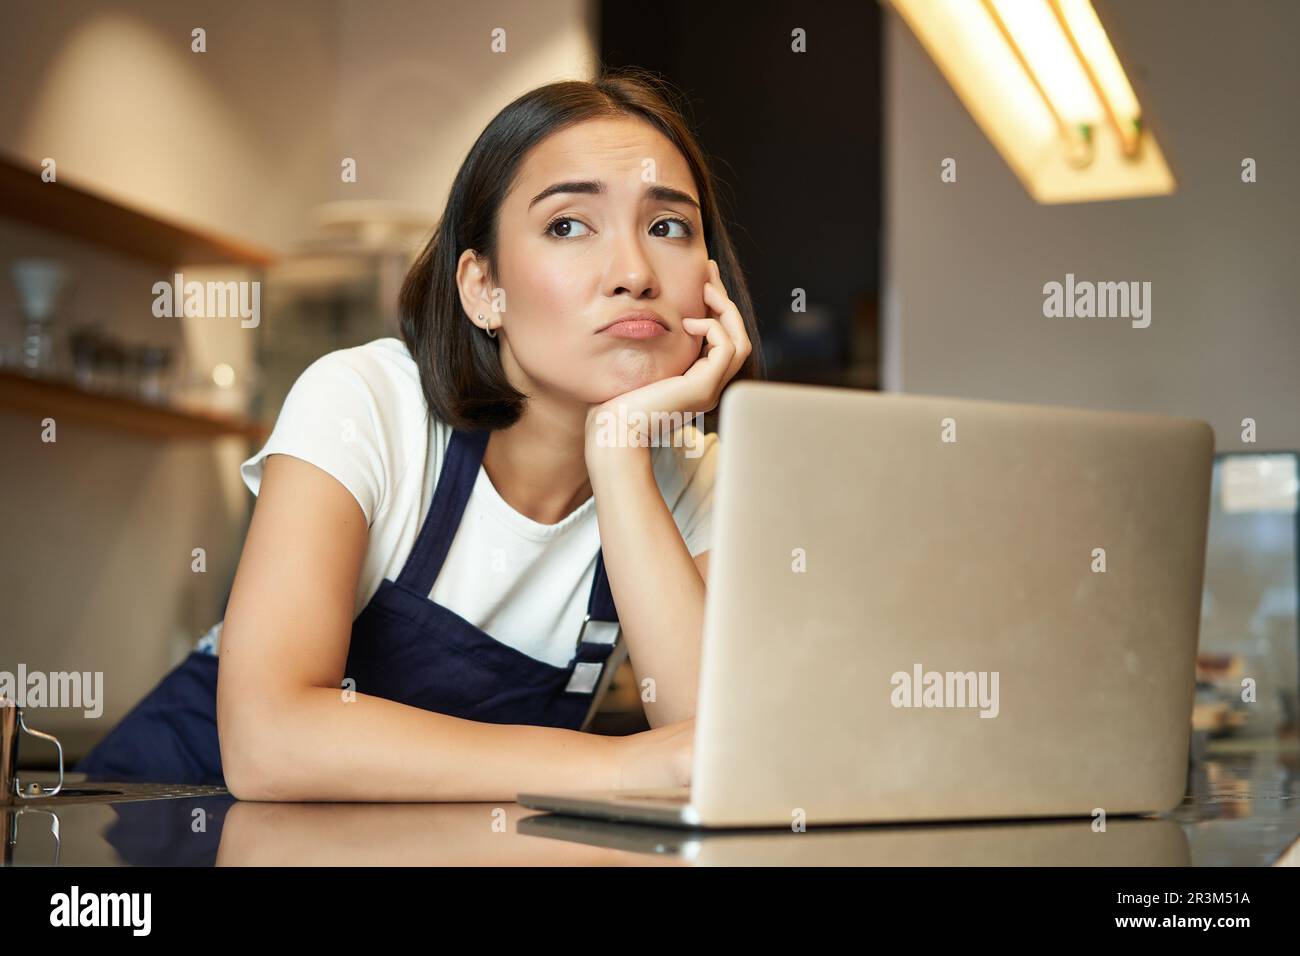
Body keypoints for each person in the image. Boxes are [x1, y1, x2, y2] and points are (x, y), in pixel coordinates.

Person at [76, 68, 764, 801]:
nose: (633, 272)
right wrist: (620, 766)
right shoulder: (366, 403)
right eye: (568, 225)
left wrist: (622, 453)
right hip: (167, 818)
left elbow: (718, 755)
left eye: (668, 227)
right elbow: (267, 741)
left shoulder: (691, 476)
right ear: (481, 289)